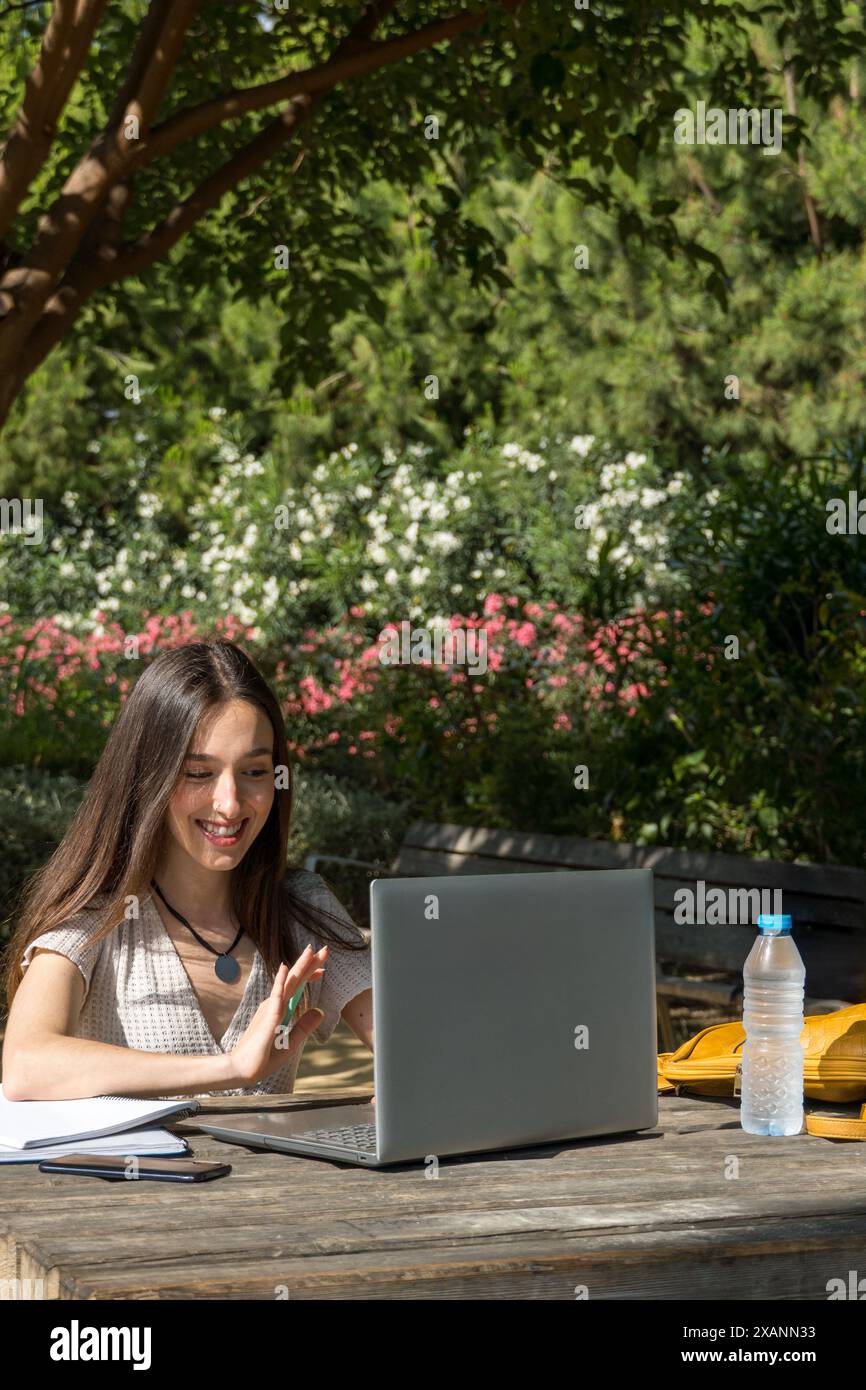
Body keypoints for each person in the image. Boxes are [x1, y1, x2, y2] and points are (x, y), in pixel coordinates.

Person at [1, 639, 374, 1101]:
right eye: (199, 773)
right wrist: (230, 1068)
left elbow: (413, 1042)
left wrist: (412, 1079)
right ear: (148, 776)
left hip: (279, 1179)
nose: (231, 803)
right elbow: (25, 1065)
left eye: (255, 772)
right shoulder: (97, 915)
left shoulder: (301, 906)